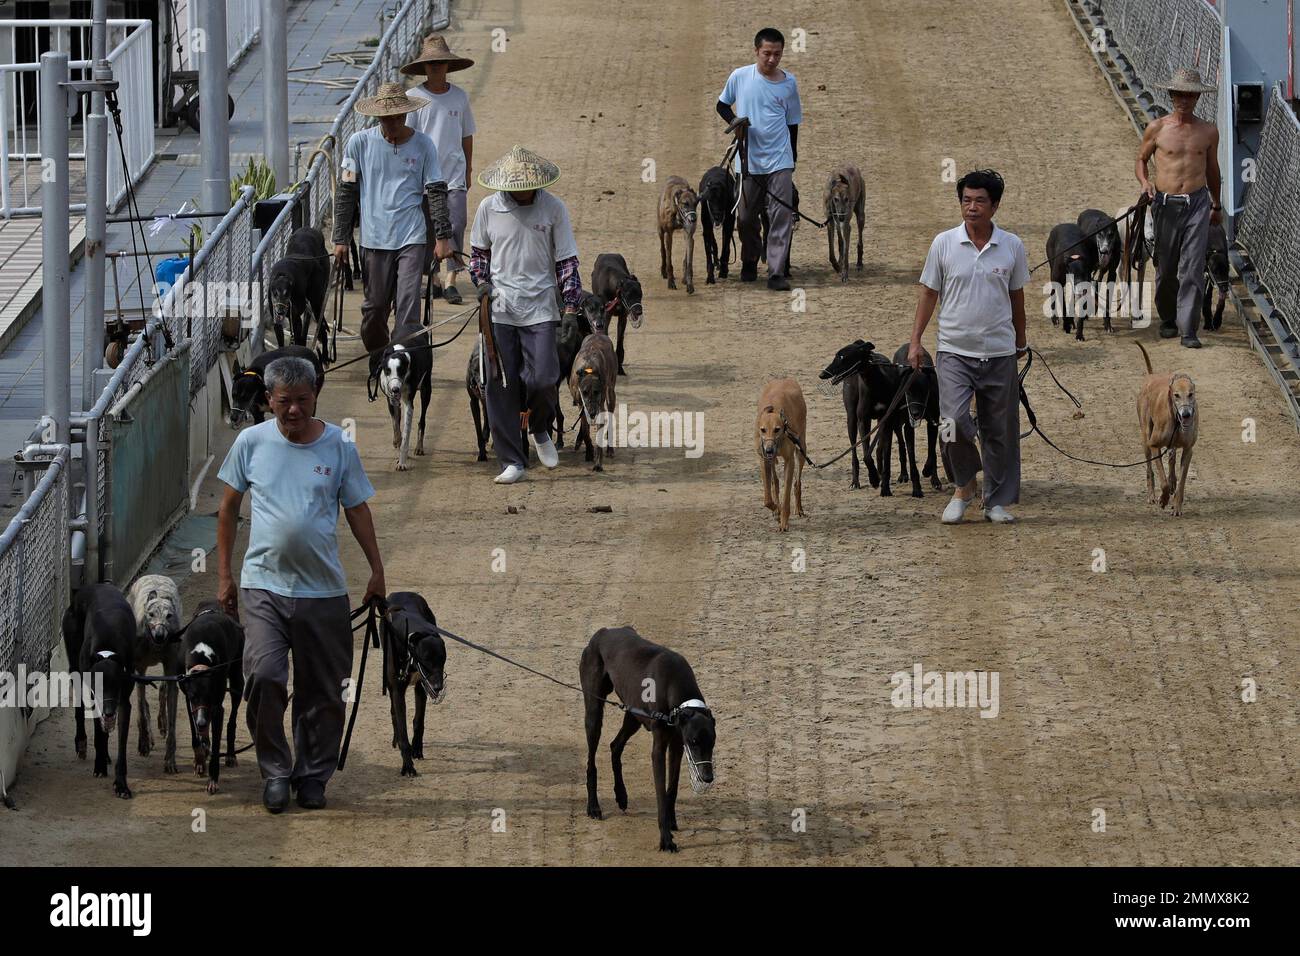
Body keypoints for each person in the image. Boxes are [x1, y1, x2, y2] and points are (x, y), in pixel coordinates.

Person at [216, 356, 385, 813]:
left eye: (302, 402)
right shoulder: (250, 442)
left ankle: (312, 776)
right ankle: (274, 772)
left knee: (323, 690)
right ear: (268, 401)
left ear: (315, 398)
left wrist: (376, 570)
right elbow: (229, 509)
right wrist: (226, 576)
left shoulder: (338, 446)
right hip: (262, 588)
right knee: (266, 677)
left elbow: (357, 509)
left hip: (323, 591)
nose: (293, 411)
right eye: (284, 402)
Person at [908, 169, 1029, 525]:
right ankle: (963, 486)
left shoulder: (1012, 246)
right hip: (954, 351)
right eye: (966, 200)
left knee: (999, 428)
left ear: (994, 206)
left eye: (979, 201)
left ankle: (996, 501)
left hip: (999, 351)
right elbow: (929, 293)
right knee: (951, 421)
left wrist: (1020, 341)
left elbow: (1016, 297)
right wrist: (915, 341)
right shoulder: (944, 243)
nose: (971, 207)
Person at [469, 145, 581, 484]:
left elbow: (566, 260)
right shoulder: (489, 208)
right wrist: (482, 283)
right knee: (501, 383)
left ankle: (539, 426)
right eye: (514, 187)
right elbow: (478, 256)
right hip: (501, 307)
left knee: (544, 375)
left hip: (541, 304)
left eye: (526, 187)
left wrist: (572, 306)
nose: (521, 192)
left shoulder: (553, 209)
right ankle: (512, 460)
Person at [332, 81, 452, 375]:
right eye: (387, 119)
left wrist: (443, 236)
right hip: (374, 240)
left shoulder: (423, 145)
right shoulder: (359, 143)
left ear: (406, 115)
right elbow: (347, 190)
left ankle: (402, 367)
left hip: (411, 236)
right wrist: (340, 237)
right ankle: (379, 355)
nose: (393, 124)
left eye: (398, 118)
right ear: (378, 118)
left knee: (409, 310)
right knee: (374, 310)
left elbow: (435, 189)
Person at [1135, 67, 1222, 349]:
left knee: (1193, 267)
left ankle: (1189, 329)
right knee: (1166, 266)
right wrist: (1145, 182)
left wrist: (1216, 204)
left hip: (1197, 202)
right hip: (1165, 204)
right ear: (1172, 95)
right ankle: (1168, 317)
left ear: (1197, 98)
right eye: (1180, 94)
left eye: (1190, 95)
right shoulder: (1157, 128)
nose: (1184, 100)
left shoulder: (1208, 131)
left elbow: (1212, 170)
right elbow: (1141, 159)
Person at [716, 27, 802, 291]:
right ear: (756, 51)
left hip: (779, 160)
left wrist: (792, 158)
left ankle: (776, 272)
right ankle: (750, 260)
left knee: (780, 215)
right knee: (745, 217)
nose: (772, 59)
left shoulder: (789, 83)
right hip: (748, 159)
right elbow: (721, 105)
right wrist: (735, 122)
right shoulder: (740, 77)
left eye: (777, 54)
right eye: (767, 53)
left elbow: (792, 123)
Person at [402, 34, 476, 305]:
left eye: (440, 63)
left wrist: (468, 169)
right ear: (424, 67)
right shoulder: (413, 98)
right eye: (431, 64)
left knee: (456, 224)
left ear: (447, 66)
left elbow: (467, 136)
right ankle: (432, 278)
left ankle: (451, 280)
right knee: (427, 229)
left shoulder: (459, 98)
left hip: (454, 174)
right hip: (422, 177)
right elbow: (407, 136)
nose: (436, 68)